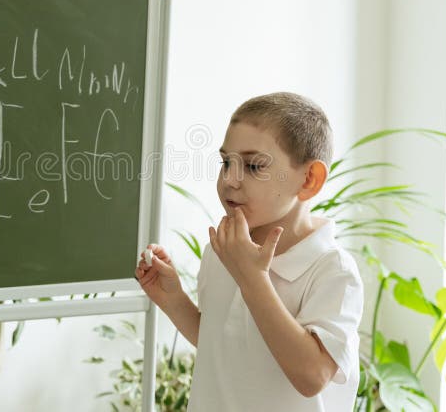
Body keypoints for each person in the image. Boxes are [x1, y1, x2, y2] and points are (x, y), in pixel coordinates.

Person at [136, 92, 364, 411]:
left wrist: (252, 277)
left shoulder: (332, 270)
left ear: (309, 180)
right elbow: (223, 347)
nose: (229, 179)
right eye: (226, 162)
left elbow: (312, 376)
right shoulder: (221, 252)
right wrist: (174, 301)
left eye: (254, 166)